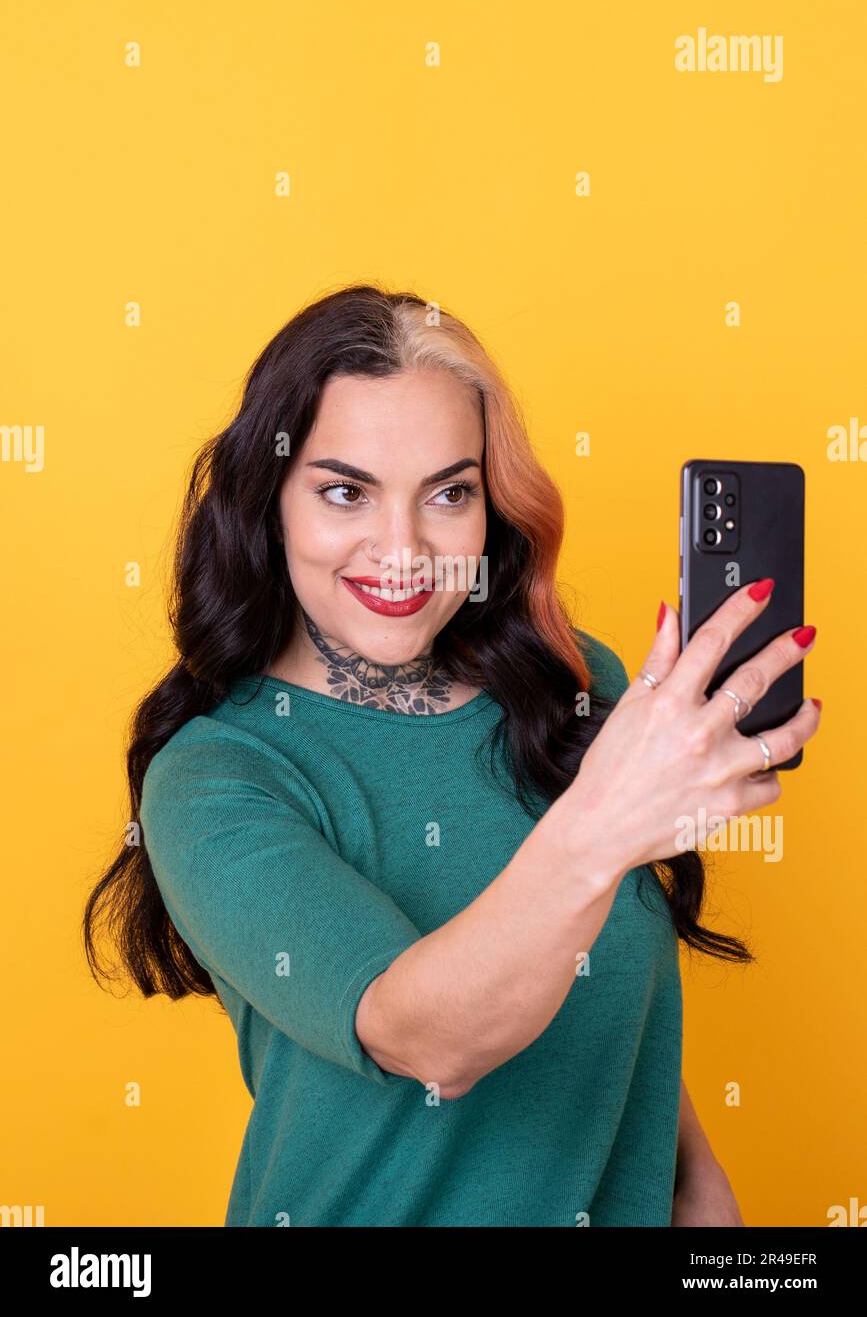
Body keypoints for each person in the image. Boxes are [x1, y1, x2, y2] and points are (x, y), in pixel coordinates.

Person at [82, 283, 821, 1226]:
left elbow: (613, 1007)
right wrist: (605, 821)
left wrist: (704, 1212)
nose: (404, 550)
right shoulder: (220, 774)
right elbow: (427, 1038)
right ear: (268, 503)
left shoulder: (564, 684)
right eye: (345, 491)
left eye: (448, 493)